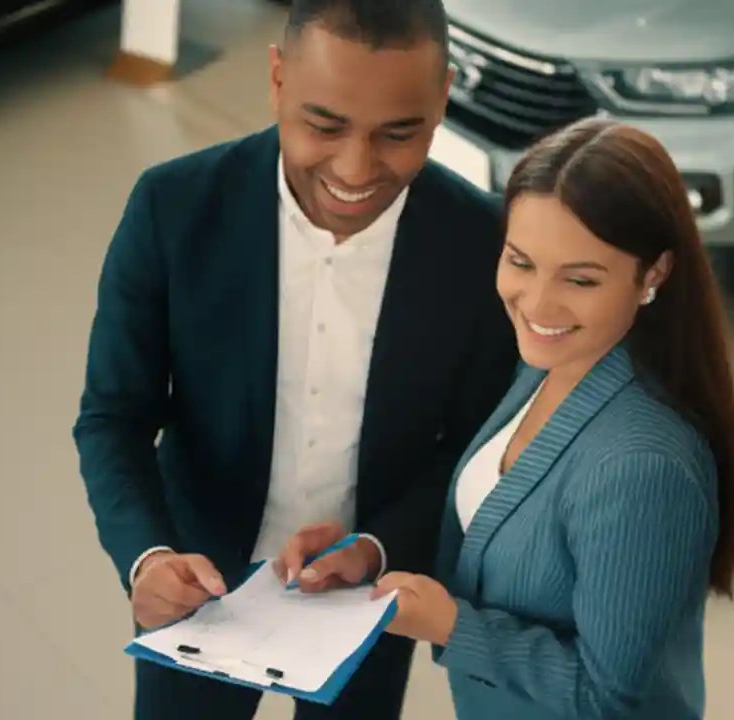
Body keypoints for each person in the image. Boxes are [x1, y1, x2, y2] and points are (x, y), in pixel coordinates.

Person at [71, 1, 517, 718]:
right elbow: (112, 418)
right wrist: (146, 558)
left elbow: (477, 449)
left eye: (399, 134)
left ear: (443, 97)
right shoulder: (172, 207)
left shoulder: (485, 244)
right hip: (197, 583)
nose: (355, 169)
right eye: (325, 125)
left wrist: (378, 547)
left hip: (369, 595)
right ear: (277, 79)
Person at [373, 117, 734, 719]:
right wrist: (373, 554)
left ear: (653, 274)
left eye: (579, 279)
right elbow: (492, 511)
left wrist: (452, 626)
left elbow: (606, 699)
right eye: (520, 262)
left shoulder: (641, 467)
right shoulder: (553, 360)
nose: (538, 303)